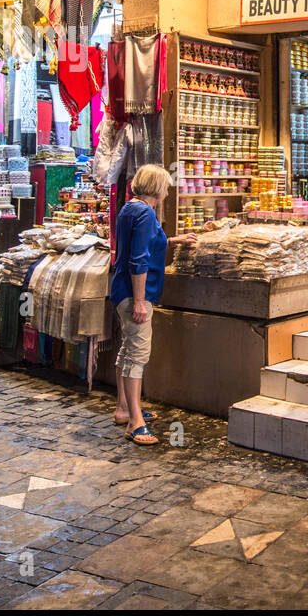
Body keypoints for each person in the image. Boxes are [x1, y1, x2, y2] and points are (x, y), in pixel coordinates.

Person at [110, 164, 198, 445]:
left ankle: (124, 408)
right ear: (157, 188)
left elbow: (145, 244)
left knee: (127, 350)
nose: (168, 191)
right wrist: (139, 301)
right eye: (167, 186)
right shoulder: (147, 213)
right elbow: (139, 259)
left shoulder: (130, 208)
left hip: (120, 288)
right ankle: (135, 423)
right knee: (137, 355)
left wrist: (173, 240)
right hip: (135, 291)